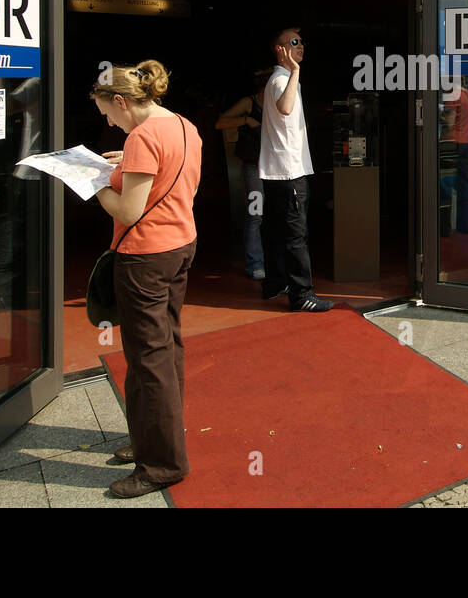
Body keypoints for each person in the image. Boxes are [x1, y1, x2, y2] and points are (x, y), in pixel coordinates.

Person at [90, 60, 202, 497]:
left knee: (148, 358)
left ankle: (161, 464)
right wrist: (122, 164)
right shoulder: (181, 124)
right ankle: (154, 439)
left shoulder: (141, 137)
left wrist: (94, 181)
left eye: (108, 114)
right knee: (166, 348)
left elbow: (127, 210)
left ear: (121, 101)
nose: (109, 122)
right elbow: (171, 176)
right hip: (180, 245)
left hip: (145, 257)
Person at [259, 28, 333, 312]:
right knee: (295, 234)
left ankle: (276, 283)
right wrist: (296, 72)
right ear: (280, 49)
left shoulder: (281, 79)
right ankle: (302, 294)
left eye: (301, 41)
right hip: (288, 171)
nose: (300, 45)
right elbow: (286, 108)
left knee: (278, 231)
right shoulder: (282, 79)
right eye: (294, 42)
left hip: (280, 169)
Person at [215, 68, 270, 281]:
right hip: (255, 167)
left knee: (278, 214)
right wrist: (246, 120)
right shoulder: (251, 103)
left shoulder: (282, 103)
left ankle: (274, 260)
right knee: (255, 214)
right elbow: (221, 122)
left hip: (278, 169)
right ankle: (255, 263)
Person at [442, 79, 468, 233]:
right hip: (466, 142)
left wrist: (439, 117)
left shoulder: (452, 95)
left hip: (452, 143)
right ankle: (467, 225)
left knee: (445, 183)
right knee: (465, 184)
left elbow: (449, 122)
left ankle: (443, 227)